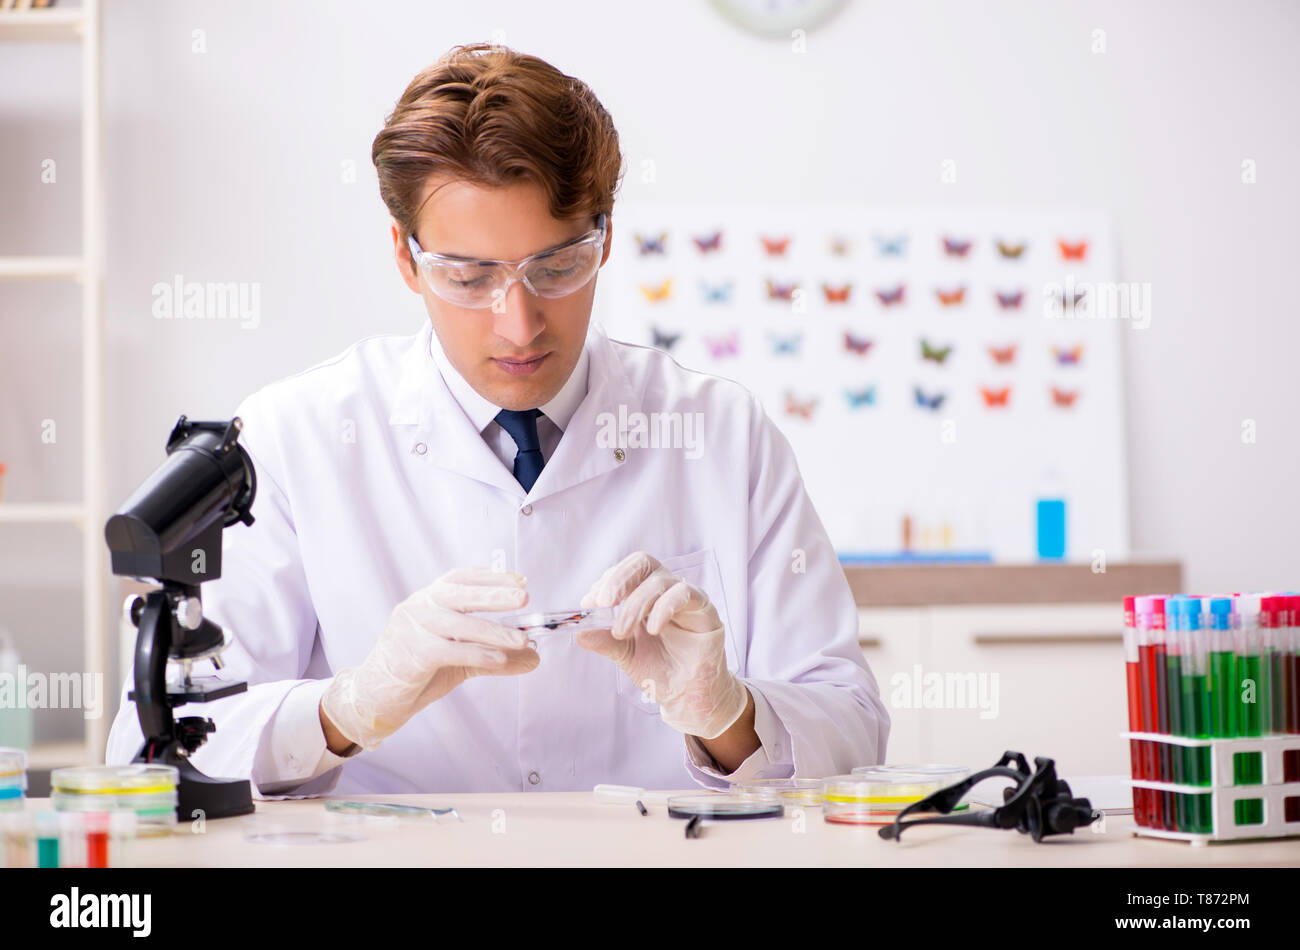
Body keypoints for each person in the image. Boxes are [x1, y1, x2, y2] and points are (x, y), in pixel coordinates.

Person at [106, 43, 889, 796]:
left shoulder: (722, 433)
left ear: (604, 240)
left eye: (556, 266)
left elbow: (854, 726)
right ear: (406, 259)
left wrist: (727, 714)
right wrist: (346, 709)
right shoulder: (294, 436)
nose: (519, 324)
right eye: (469, 275)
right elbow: (147, 755)